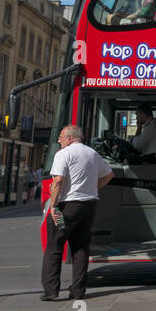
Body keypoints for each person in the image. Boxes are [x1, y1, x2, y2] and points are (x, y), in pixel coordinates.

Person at [41, 125, 113, 300]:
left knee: (55, 245)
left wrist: (53, 206)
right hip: (89, 205)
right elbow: (109, 175)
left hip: (68, 206)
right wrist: (92, 187)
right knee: (80, 247)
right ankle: (78, 290)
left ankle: (51, 290)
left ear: (70, 138)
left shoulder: (63, 154)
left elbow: (58, 180)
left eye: (61, 137)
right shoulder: (92, 154)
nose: (59, 141)